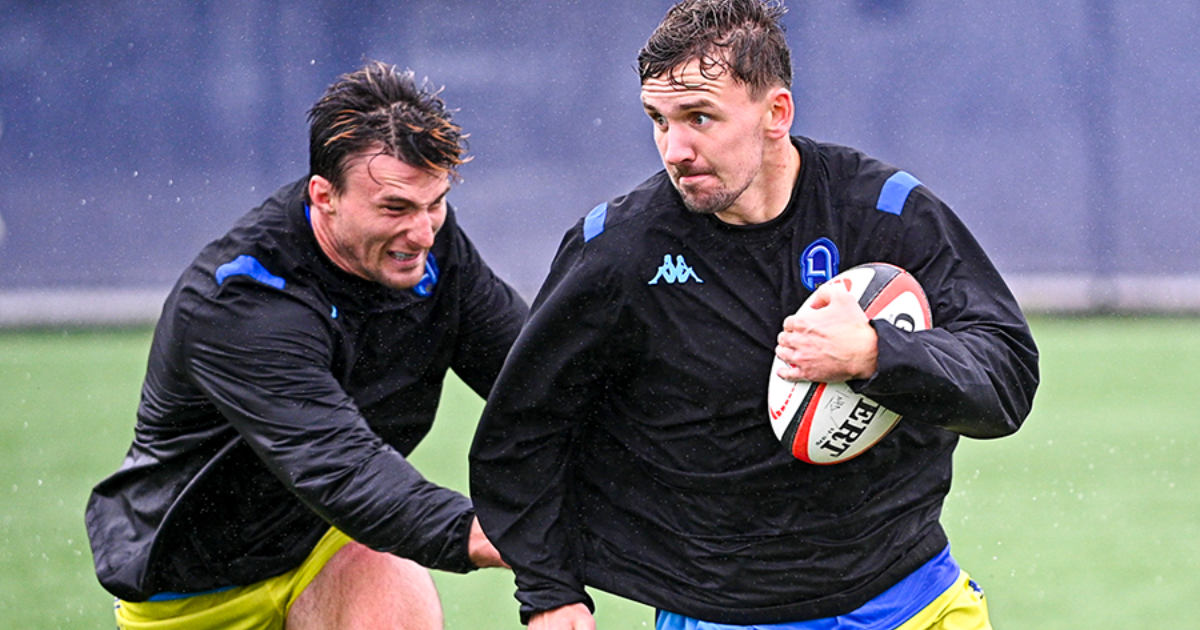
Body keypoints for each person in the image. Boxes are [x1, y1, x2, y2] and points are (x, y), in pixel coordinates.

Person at [468, 1, 1039, 629]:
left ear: (776, 113)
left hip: (911, 599)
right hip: (721, 613)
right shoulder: (621, 251)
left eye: (699, 117)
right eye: (657, 120)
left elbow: (1006, 376)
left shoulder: (885, 213)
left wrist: (877, 353)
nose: (674, 149)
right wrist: (549, 592)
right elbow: (524, 431)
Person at [86, 61, 528, 630]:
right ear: (324, 196)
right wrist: (488, 534)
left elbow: (539, 380)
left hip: (329, 543)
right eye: (394, 208)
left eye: (435, 202)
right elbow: (340, 468)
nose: (423, 233)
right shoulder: (240, 300)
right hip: (194, 591)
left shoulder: (431, 247)